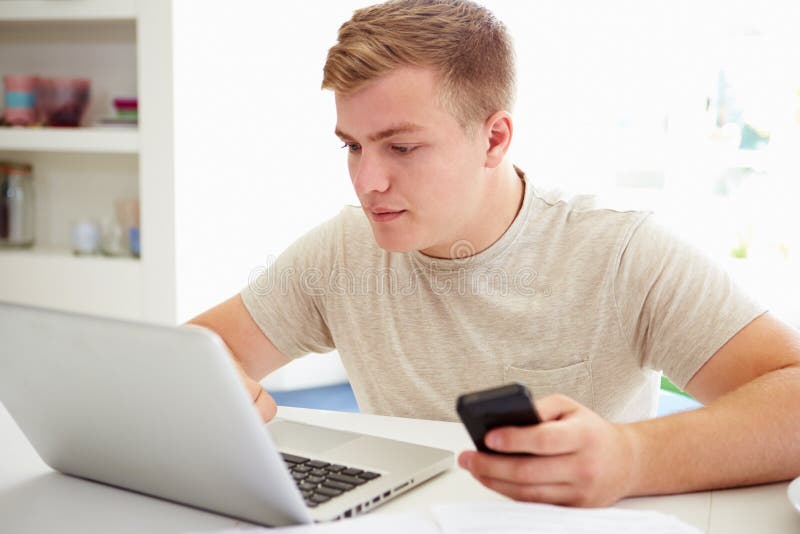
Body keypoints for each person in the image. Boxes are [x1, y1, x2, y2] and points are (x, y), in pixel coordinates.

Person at [189, 0, 800, 507]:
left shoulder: (621, 253)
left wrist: (634, 457)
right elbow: (195, 350)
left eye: (401, 148)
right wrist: (213, 384)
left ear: (494, 138)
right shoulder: (340, 252)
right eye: (352, 146)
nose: (367, 182)